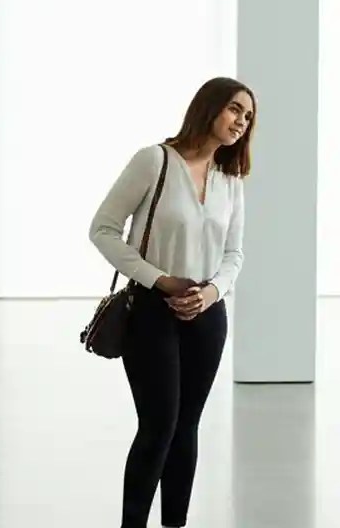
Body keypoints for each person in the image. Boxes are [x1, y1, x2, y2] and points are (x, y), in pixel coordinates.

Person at [89, 76, 256, 528]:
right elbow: (102, 229)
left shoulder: (230, 179)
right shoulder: (154, 161)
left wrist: (211, 292)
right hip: (150, 311)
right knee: (158, 426)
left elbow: (234, 254)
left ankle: (174, 524)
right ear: (210, 108)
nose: (242, 121)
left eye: (247, 116)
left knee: (187, 427)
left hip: (207, 315)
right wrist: (159, 279)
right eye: (235, 110)